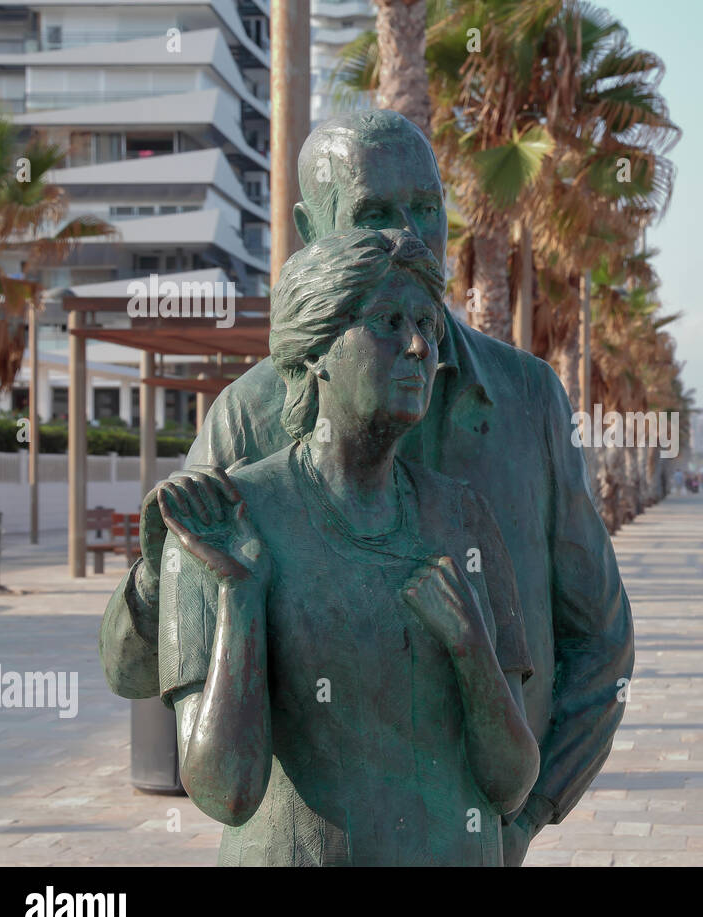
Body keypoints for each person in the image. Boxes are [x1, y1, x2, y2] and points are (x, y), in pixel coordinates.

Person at [98, 110, 633, 866]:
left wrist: (525, 817)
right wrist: (162, 575)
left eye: (426, 209)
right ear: (311, 228)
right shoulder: (249, 417)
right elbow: (133, 669)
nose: (411, 237)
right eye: (376, 214)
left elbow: (601, 642)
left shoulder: (528, 402)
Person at [158, 229, 538, 865]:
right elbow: (225, 792)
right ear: (316, 351)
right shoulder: (222, 521)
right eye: (387, 322)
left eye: (427, 324)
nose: (419, 346)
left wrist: (472, 647)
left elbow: (511, 783)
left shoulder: (464, 517)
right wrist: (241, 598)